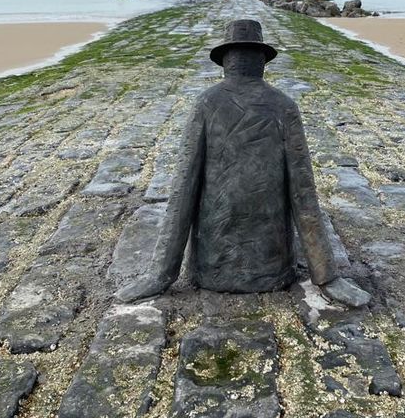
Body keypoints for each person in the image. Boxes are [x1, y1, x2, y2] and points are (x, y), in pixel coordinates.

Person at [116, 19, 368, 302]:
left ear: (225, 60)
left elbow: (182, 192)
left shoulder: (207, 102)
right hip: (270, 266)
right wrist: (326, 276)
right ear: (263, 60)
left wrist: (161, 274)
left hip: (214, 267)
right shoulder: (283, 105)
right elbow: (304, 195)